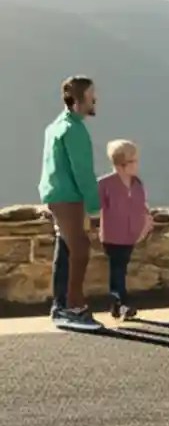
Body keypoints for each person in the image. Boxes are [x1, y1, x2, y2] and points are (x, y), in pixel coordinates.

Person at [39, 75, 103, 331]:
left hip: (57, 195)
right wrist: (95, 208)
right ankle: (73, 308)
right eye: (91, 95)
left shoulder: (57, 125)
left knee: (66, 250)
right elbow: (83, 173)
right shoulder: (73, 130)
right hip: (68, 197)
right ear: (77, 100)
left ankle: (61, 306)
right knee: (80, 249)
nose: (95, 99)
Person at [97, 139, 153, 320]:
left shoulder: (137, 183)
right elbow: (92, 206)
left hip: (132, 236)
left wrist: (145, 225)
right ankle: (123, 304)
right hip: (113, 236)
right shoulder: (104, 184)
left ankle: (115, 306)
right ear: (121, 165)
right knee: (118, 270)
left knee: (120, 270)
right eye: (133, 161)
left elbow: (142, 206)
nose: (137, 165)